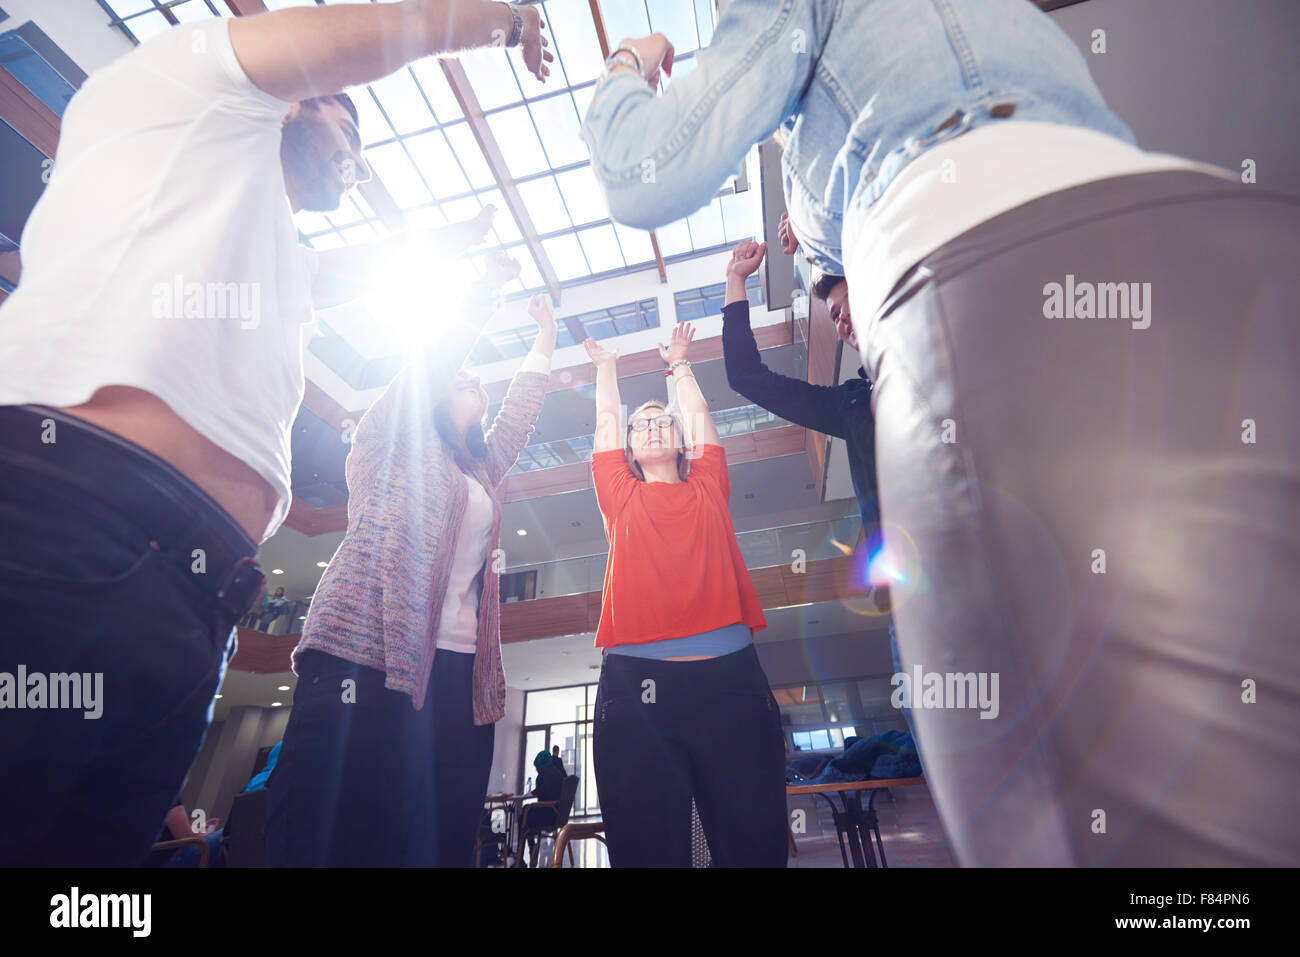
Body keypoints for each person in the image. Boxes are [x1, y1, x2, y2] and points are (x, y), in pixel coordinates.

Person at [578, 0, 1300, 865]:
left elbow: (642, 170)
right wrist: (813, 245)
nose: (835, 315)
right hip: (1228, 246)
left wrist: (629, 58)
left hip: (984, 284)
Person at [0, 0, 552, 867]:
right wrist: (494, 21)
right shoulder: (191, 91)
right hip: (74, 520)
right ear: (304, 97)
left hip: (202, 593)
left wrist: (458, 251)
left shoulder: (274, 250)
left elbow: (341, 273)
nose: (362, 166)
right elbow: (347, 35)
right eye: (354, 134)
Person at [265, 257, 557, 867]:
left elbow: (520, 416)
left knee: (435, 837)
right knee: (330, 832)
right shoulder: (389, 441)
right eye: (462, 377)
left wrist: (545, 337)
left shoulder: (479, 469)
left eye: (479, 382)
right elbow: (430, 365)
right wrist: (479, 293)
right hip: (363, 652)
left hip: (456, 672)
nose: (472, 383)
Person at [583, 324, 786, 868]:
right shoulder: (618, 493)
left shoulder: (709, 483)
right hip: (636, 688)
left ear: (680, 441)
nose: (651, 429)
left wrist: (680, 365)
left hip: (730, 681)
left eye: (661, 422)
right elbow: (605, 425)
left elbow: (698, 419)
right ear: (628, 446)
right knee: (649, 845)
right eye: (641, 425)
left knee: (753, 839)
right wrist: (606, 368)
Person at [720, 238, 920, 762]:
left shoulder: (935, 360)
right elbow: (748, 378)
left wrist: (815, 234)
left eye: (851, 304)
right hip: (914, 603)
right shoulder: (851, 404)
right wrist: (736, 282)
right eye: (833, 313)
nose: (844, 319)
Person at [522, 751, 565, 867]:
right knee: (528, 812)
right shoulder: (559, 774)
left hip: (546, 816)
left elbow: (541, 791)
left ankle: (527, 850)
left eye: (537, 767)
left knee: (524, 813)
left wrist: (532, 792)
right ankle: (532, 842)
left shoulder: (542, 776)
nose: (536, 770)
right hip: (557, 815)